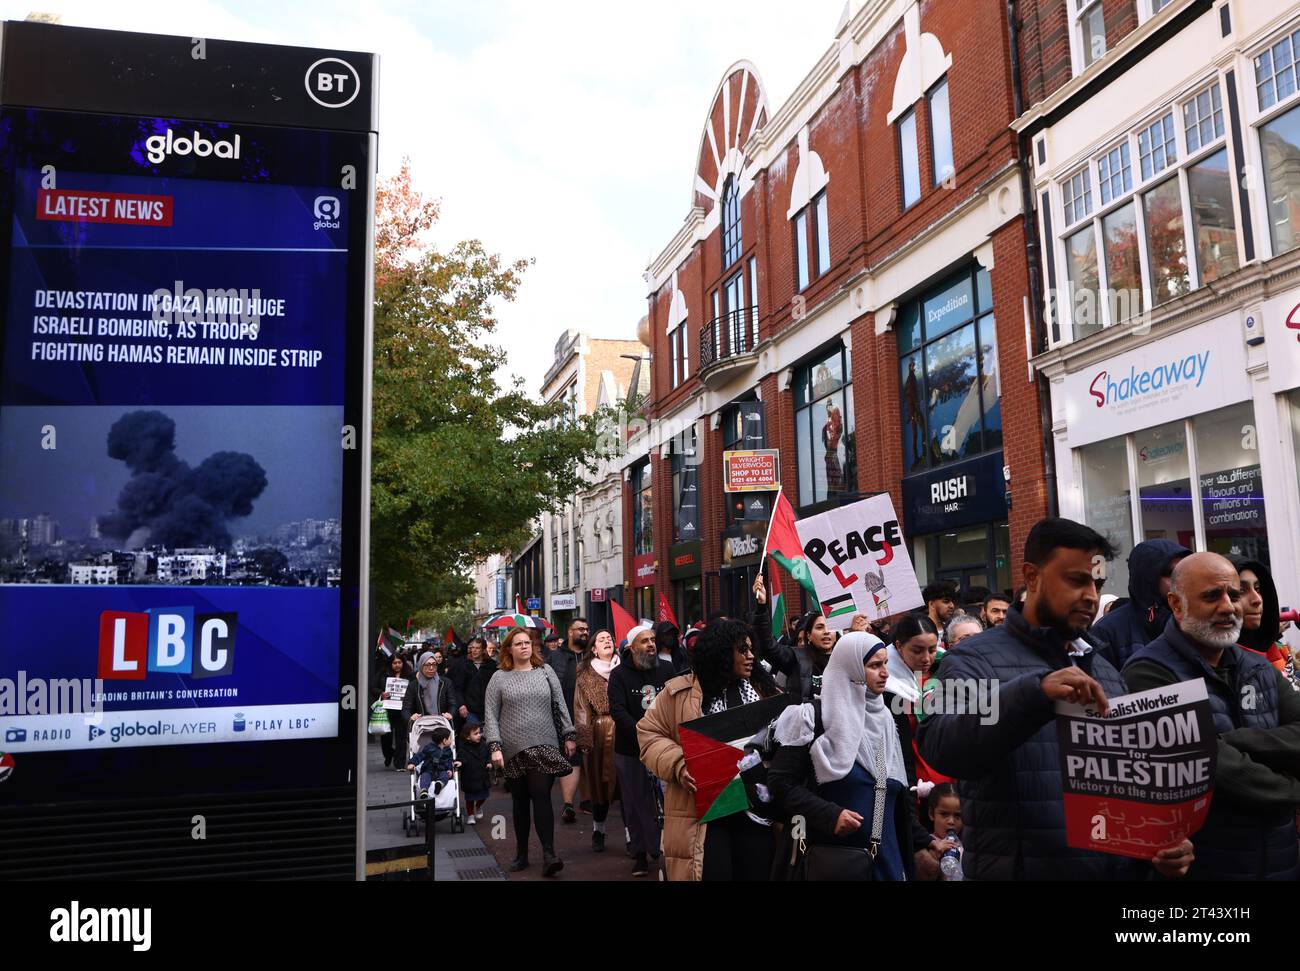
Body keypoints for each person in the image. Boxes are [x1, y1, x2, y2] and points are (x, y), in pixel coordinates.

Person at [917, 517, 1194, 880]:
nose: (1091, 596)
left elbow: (1129, 788)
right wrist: (1035, 693)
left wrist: (1158, 846)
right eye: (1076, 581)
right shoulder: (969, 658)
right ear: (1032, 577)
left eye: (1097, 583)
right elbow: (940, 743)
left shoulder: (1105, 669)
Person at [1122, 552, 1300, 880]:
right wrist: (1292, 789)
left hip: (1281, 862)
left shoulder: (1258, 666)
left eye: (1233, 595)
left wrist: (1232, 741)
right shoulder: (1148, 673)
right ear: (1176, 604)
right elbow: (1210, 766)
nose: (1228, 606)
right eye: (1211, 596)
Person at [638, 618, 784, 882]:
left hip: (757, 813)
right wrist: (680, 764)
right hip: (705, 819)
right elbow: (648, 734)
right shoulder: (678, 694)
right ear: (722, 654)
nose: (751, 656)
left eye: (752, 649)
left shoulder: (765, 690)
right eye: (742, 650)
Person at [768, 633, 915, 881]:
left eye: (885, 663)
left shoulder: (886, 721)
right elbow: (781, 783)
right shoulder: (813, 719)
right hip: (832, 863)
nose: (885, 673)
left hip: (886, 862)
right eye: (874, 665)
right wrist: (829, 815)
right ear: (852, 668)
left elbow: (896, 798)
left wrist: (922, 842)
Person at [484, 627, 576, 877]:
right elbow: (490, 715)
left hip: (544, 744)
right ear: (509, 650)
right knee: (520, 801)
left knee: (541, 794)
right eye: (519, 644)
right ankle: (521, 853)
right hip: (513, 748)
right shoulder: (499, 678)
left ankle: (549, 854)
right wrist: (495, 746)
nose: (525, 646)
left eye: (527, 643)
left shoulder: (545, 672)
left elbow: (560, 703)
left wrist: (569, 734)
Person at [608, 624, 674, 876]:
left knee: (670, 800)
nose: (651, 645)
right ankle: (639, 854)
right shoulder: (619, 675)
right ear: (631, 648)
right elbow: (617, 709)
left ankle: (668, 850)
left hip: (665, 746)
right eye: (644, 641)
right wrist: (641, 732)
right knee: (635, 802)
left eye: (653, 640)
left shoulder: (667, 669)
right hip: (630, 749)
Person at [1090, 539, 1191, 670]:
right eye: (1171, 575)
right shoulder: (1107, 631)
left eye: (1185, 574)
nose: (1181, 582)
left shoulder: (1197, 620)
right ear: (1149, 579)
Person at [574, 629, 621, 852]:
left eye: (609, 638)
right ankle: (598, 830)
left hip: (626, 730)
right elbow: (581, 708)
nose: (606, 642)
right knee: (599, 785)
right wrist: (584, 738)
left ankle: (632, 837)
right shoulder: (585, 675)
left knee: (627, 785)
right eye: (601, 639)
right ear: (593, 648)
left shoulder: (625, 668)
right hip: (599, 733)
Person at [1227, 555, 1297, 688]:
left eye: (1258, 589)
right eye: (1241, 590)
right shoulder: (1217, 663)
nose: (1257, 599)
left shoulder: (1278, 650)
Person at [547, 618, 589, 823]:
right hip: (564, 714)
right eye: (580, 629)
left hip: (591, 715)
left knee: (589, 757)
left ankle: (589, 800)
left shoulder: (592, 655)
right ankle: (568, 803)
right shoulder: (555, 657)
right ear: (570, 632)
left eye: (587, 629)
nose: (585, 632)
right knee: (570, 756)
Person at [914, 783, 963, 881]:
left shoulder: (968, 847)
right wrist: (934, 856)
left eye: (957, 816)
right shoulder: (925, 847)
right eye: (944, 814)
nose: (951, 822)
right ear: (932, 814)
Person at [402, 652, 455, 741]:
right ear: (421, 666)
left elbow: (452, 703)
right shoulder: (414, 685)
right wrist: (410, 717)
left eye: (434, 664)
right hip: (420, 729)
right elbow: (406, 708)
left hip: (442, 726)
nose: (431, 668)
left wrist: (450, 714)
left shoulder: (445, 683)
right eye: (427, 665)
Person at [373, 653, 412, 770]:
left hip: (402, 711)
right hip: (387, 710)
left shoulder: (409, 675)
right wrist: (381, 693)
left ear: (403, 663)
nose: (397, 665)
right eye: (394, 663)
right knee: (386, 736)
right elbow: (373, 687)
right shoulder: (383, 673)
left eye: (399, 662)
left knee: (401, 738)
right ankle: (389, 754)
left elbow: (414, 689)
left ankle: (400, 764)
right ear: (391, 664)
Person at [450, 636, 492, 728]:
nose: (474, 650)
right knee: (474, 736)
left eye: (477, 648)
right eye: (473, 647)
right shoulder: (464, 665)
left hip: (488, 709)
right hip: (470, 709)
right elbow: (458, 688)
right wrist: (461, 705)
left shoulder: (491, 665)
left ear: (483, 650)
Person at [457, 719, 492, 823]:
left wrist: (489, 762)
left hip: (482, 776)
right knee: (470, 799)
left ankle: (479, 805)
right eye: (475, 733)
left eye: (479, 732)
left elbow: (488, 755)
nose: (479, 735)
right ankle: (471, 815)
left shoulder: (484, 745)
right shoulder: (463, 748)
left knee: (484, 796)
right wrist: (459, 762)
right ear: (468, 737)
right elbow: (461, 757)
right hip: (469, 777)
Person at [409, 725, 456, 798]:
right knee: (424, 777)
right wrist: (412, 763)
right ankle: (424, 790)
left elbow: (449, 761)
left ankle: (440, 784)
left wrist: (449, 769)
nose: (451, 740)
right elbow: (420, 755)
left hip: (441, 770)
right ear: (444, 740)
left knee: (445, 775)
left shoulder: (448, 751)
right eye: (450, 738)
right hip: (428, 769)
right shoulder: (429, 748)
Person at [921, 581, 959, 650]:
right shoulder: (920, 629)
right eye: (946, 601)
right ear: (931, 604)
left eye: (952, 602)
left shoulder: (952, 628)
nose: (952, 606)